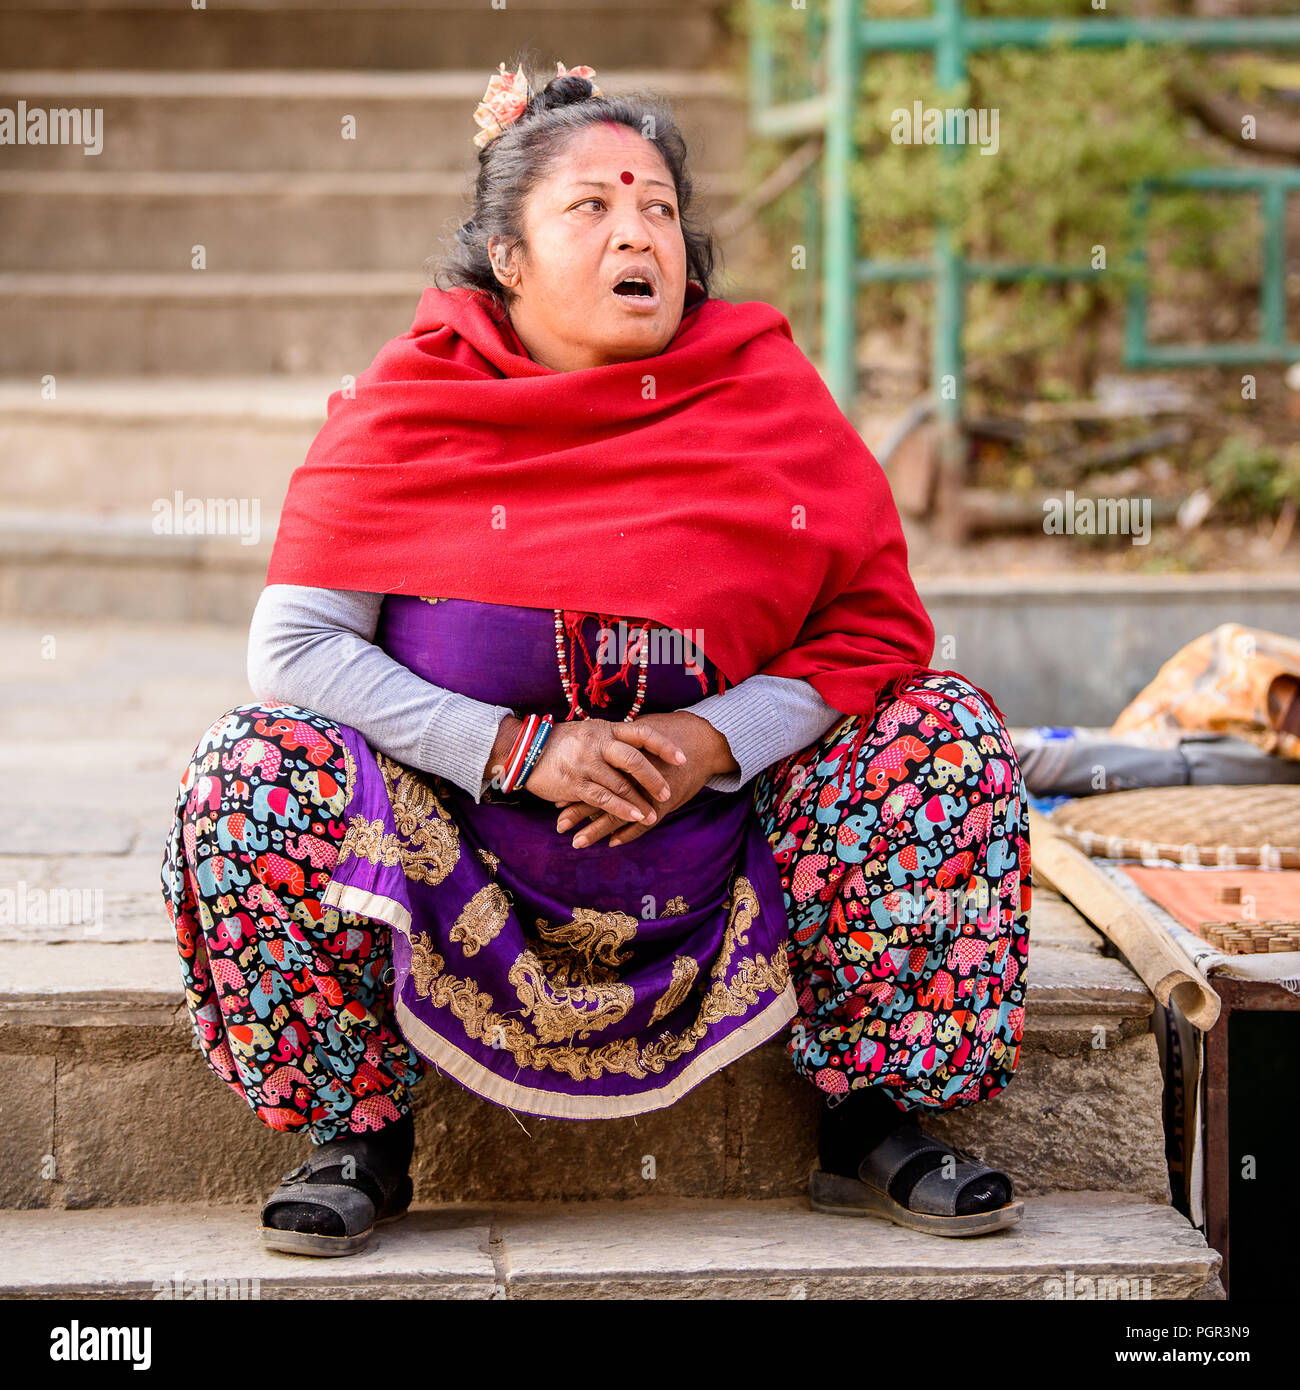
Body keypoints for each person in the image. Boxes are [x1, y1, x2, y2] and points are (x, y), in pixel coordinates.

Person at [161, 58, 1032, 1257]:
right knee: (245, 772)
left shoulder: (764, 397)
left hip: (723, 858)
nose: (639, 234)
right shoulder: (409, 407)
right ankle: (355, 1130)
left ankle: (871, 1115)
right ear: (504, 257)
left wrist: (713, 737)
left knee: (941, 732)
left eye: (660, 210)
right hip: (457, 854)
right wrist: (514, 748)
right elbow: (297, 646)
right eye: (592, 207)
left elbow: (872, 626)